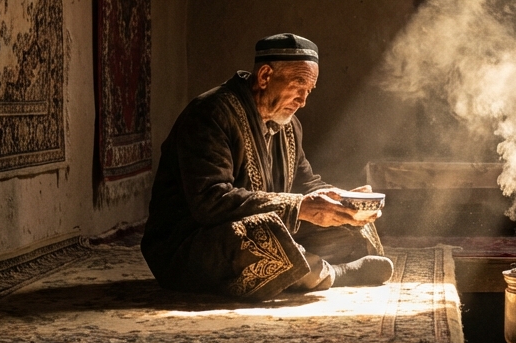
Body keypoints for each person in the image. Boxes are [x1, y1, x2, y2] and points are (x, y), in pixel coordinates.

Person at [142, 33, 393, 300]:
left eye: (309, 90)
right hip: (193, 242)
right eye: (298, 85)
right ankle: (336, 274)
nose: (303, 100)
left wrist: (343, 199)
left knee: (348, 228)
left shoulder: (290, 125)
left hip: (266, 224)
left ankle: (310, 271)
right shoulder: (210, 114)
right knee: (263, 241)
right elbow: (210, 201)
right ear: (264, 76)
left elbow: (305, 183)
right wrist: (299, 207)